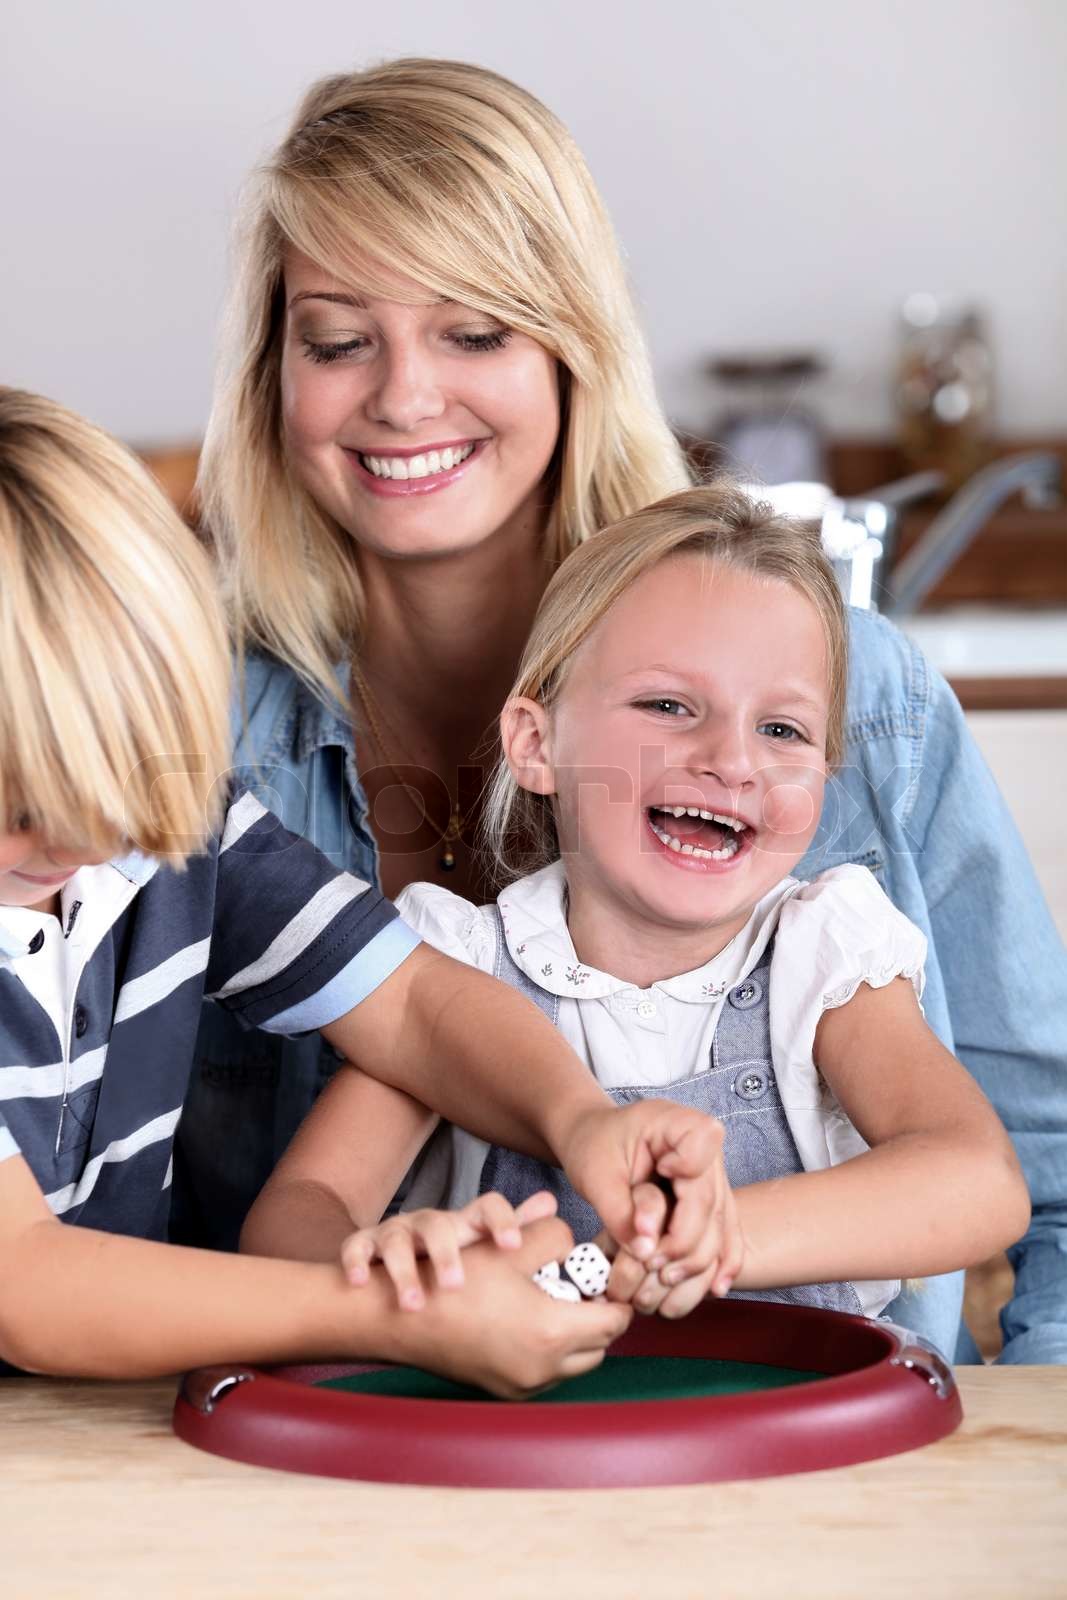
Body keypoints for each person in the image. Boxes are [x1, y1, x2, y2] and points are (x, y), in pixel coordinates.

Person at [177, 59, 1067, 1363]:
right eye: (335, 338)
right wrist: (389, 1296)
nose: (403, 396)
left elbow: (1030, 1171)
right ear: (271, 377)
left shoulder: (854, 701)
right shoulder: (191, 738)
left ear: (571, 346)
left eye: (474, 329)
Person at [0, 387, 745, 1390]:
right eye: (20, 803)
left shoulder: (180, 838)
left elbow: (415, 1007)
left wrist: (580, 1121)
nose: (86, 838)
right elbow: (30, 1287)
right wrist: (394, 1311)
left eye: (118, 781)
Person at [241, 483, 1030, 1326]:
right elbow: (300, 1208)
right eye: (666, 706)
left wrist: (714, 1237)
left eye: (782, 731)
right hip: (524, 1448)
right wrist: (394, 1277)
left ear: (823, 776)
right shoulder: (457, 965)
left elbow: (976, 1181)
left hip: (810, 1446)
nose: (730, 760)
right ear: (536, 745)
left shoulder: (824, 952)